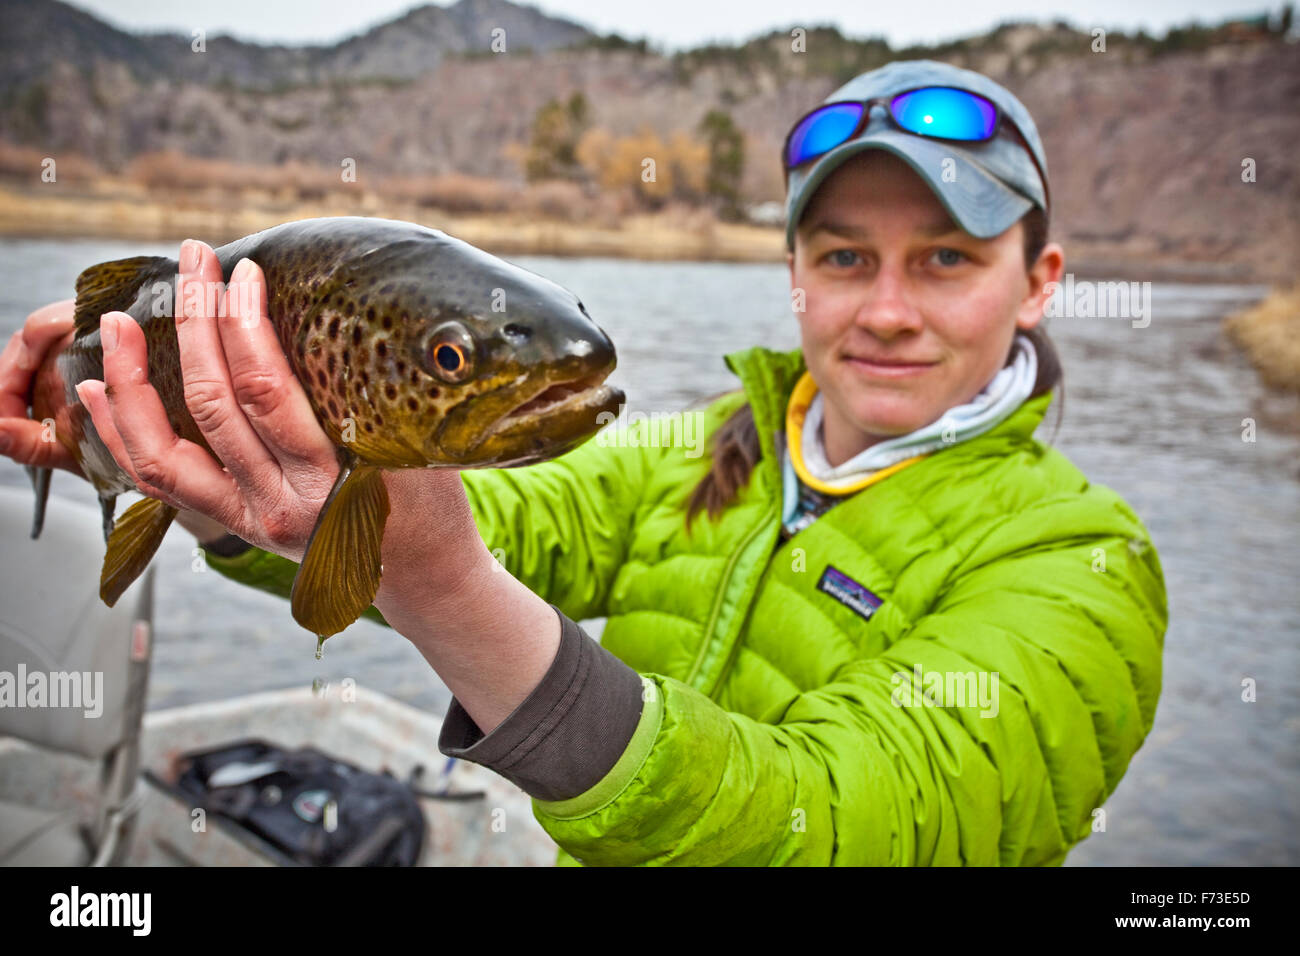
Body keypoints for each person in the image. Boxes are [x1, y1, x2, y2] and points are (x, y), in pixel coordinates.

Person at [0, 59, 1167, 866]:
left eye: (950, 259)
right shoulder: (697, 455)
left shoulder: (1082, 563)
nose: (890, 309)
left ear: (1043, 278)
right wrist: (191, 471)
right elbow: (479, 522)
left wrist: (441, 583)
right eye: (847, 255)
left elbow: (844, 822)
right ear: (797, 273)